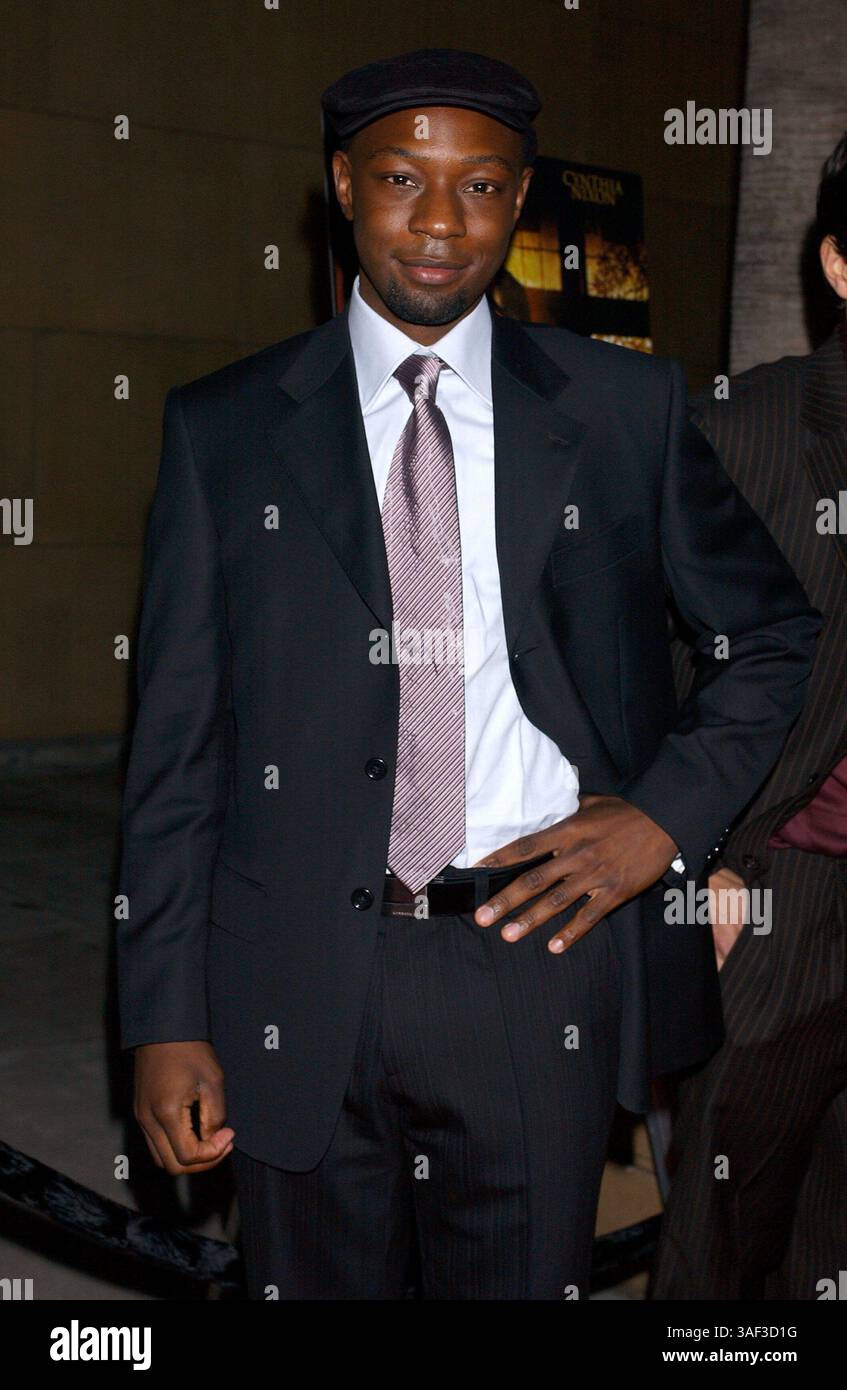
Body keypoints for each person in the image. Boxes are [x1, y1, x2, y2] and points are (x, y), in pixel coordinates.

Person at [117, 48, 820, 1300]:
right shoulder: (224, 428)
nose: (441, 222)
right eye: (402, 179)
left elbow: (769, 636)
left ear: (519, 199)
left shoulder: (624, 410)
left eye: (482, 187)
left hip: (534, 956)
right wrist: (164, 1013)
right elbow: (176, 748)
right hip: (291, 966)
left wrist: (661, 820)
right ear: (343, 185)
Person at [652, 132, 847, 1301]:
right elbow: (646, 670)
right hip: (779, 903)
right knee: (723, 1250)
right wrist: (700, 858)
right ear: (838, 264)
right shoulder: (741, 430)